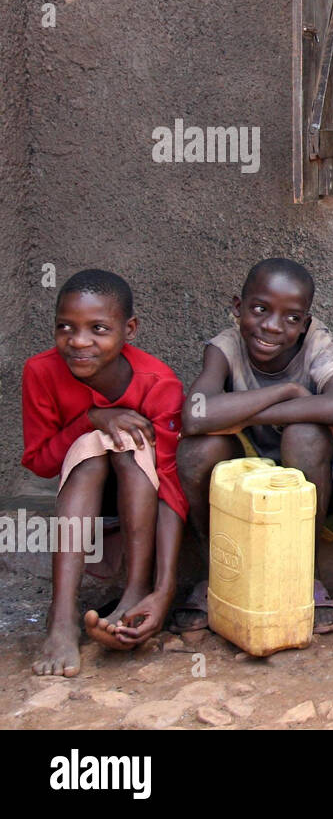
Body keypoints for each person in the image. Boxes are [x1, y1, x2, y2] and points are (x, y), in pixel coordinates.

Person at [172, 258, 333, 634]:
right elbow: (194, 416)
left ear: (304, 323)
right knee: (197, 450)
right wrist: (287, 392)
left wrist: (241, 414)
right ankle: (217, 575)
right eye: (259, 309)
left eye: (291, 318)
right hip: (244, 472)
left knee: (303, 434)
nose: (272, 326)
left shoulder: (316, 340)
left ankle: (306, 576)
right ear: (238, 308)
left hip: (303, 470)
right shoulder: (225, 346)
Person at [23, 270, 185, 676]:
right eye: (65, 327)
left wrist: (162, 592)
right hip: (81, 482)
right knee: (94, 444)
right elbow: (41, 461)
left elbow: (170, 485)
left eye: (98, 329)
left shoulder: (158, 382)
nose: (78, 342)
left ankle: (135, 592)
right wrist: (91, 420)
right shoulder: (40, 372)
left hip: (140, 489)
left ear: (128, 329)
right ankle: (61, 617)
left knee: (128, 440)